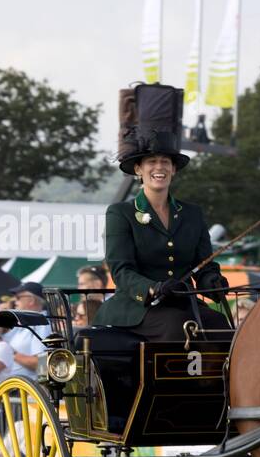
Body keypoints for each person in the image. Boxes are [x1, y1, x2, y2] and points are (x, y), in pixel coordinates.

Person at [93, 114, 230, 339]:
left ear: (173, 169)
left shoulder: (192, 214)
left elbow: (204, 265)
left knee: (221, 325)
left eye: (165, 162)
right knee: (178, 327)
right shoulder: (120, 213)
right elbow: (121, 271)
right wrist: (153, 287)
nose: (159, 167)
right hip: (137, 308)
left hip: (184, 305)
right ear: (138, 169)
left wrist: (212, 281)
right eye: (152, 162)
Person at [1, 282, 49, 377]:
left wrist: (11, 353)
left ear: (31, 300)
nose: (15, 301)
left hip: (27, 388)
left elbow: (41, 364)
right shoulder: (24, 322)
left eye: (18, 298)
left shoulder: (42, 323)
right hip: (13, 385)